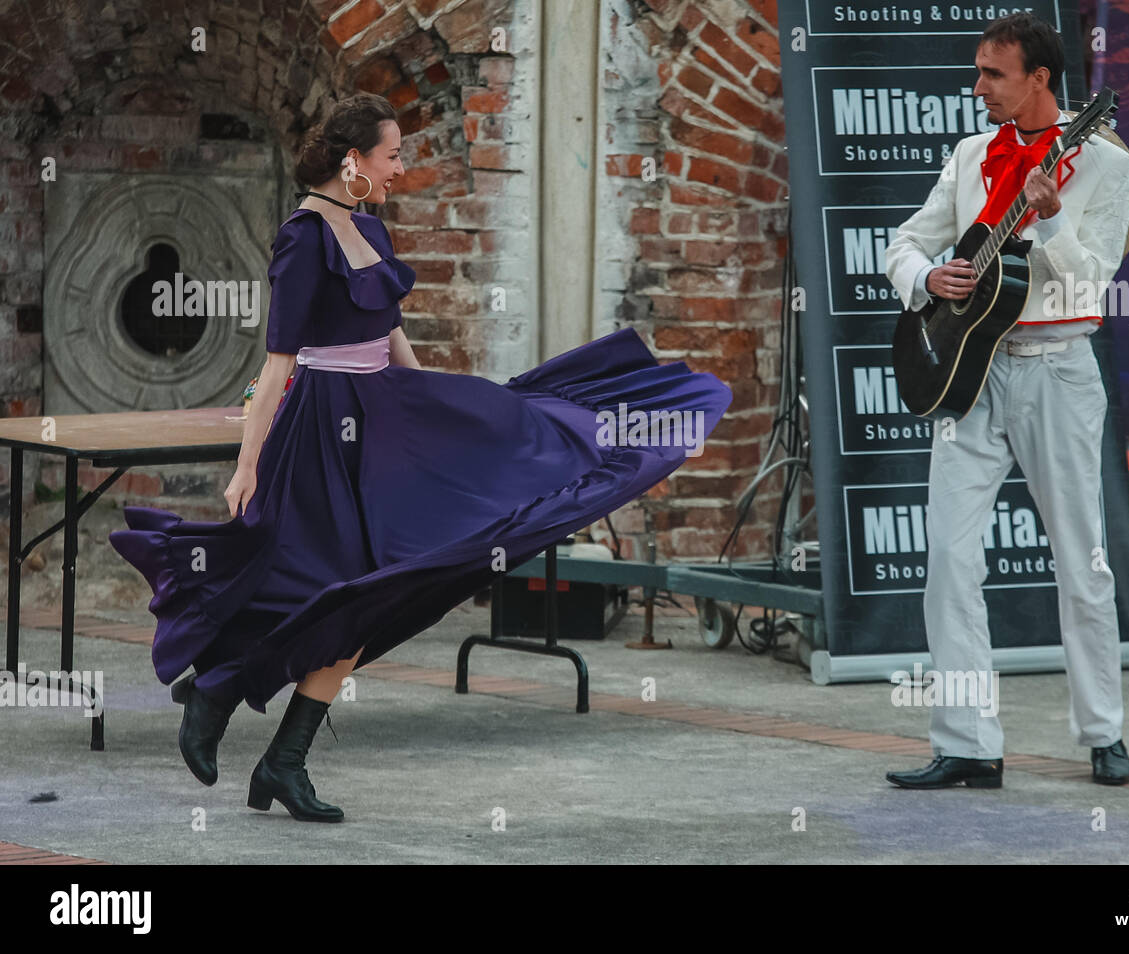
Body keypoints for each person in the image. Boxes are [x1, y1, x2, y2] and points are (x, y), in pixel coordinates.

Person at [109, 92, 733, 822]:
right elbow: (278, 363)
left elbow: (391, 341)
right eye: (393, 155)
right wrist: (247, 465)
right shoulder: (303, 239)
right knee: (334, 590)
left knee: (381, 589)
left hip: (386, 421)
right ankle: (222, 693)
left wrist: (450, 408)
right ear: (354, 161)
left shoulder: (370, 228)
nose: (402, 168)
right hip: (321, 430)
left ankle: (277, 757)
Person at [882, 14, 1129, 789]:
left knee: (1079, 559)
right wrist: (930, 281)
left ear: (1041, 80)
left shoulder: (1105, 163)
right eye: (978, 71)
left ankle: (1103, 731)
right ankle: (968, 743)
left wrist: (1052, 219)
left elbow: (1091, 280)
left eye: (994, 74)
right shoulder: (968, 156)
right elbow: (902, 242)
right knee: (951, 561)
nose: (978, 86)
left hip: (1057, 370)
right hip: (972, 372)